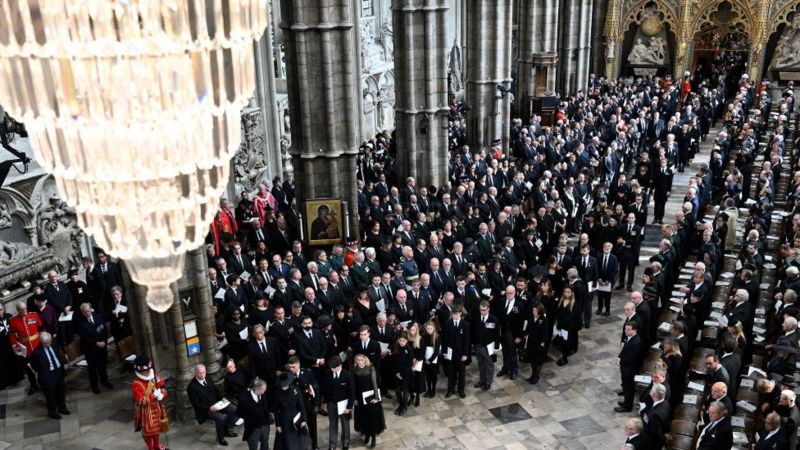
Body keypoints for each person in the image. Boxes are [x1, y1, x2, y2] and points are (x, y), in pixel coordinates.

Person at [187, 364, 239, 446]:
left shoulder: (208, 378)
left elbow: (216, 391)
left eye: (203, 372)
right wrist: (209, 408)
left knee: (233, 408)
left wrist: (222, 398)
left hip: (216, 404)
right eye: (200, 373)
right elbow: (196, 404)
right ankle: (221, 438)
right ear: (195, 373)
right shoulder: (192, 387)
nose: (202, 375)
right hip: (205, 409)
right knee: (220, 418)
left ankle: (228, 430)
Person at [74, 303, 113, 394]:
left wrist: (104, 341)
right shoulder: (80, 323)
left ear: (91, 309)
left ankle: (105, 381)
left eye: (88, 311)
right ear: (82, 313)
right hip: (90, 349)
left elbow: (105, 330)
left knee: (102, 366)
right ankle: (94, 386)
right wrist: (96, 343)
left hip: (102, 347)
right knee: (92, 369)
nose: (87, 313)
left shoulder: (97, 317)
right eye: (85, 312)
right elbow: (84, 337)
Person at [29, 332, 69, 419]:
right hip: (47, 375)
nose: (47, 344)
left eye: (48, 342)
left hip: (58, 371)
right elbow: (34, 365)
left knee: (61, 391)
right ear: (41, 342)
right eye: (45, 343)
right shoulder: (37, 352)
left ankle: (62, 408)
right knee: (50, 395)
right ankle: (52, 412)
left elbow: (58, 356)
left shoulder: (54, 345)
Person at [131, 355, 167, 450]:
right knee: (148, 432)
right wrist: (153, 396)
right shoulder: (136, 384)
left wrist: (162, 394)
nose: (146, 372)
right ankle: (150, 448)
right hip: (146, 412)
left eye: (147, 370)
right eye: (144, 371)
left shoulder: (155, 376)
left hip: (158, 408)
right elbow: (141, 400)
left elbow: (163, 387)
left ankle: (156, 445)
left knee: (157, 429)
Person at [285, 356, 321, 450]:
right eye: (290, 367)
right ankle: (302, 446)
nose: (291, 369)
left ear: (298, 364)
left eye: (293, 367)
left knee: (312, 427)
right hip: (296, 407)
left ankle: (314, 445)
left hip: (309, 405)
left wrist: (317, 404)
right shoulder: (288, 375)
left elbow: (315, 388)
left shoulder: (308, 373)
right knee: (298, 427)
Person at [8, 300, 43, 395]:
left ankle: (43, 383)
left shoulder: (34, 315)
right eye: (21, 309)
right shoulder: (12, 321)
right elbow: (12, 335)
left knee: (41, 367)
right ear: (17, 310)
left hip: (37, 346)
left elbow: (41, 328)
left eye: (25, 308)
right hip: (25, 349)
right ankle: (33, 385)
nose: (24, 311)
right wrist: (15, 346)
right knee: (29, 369)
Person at [321, 355, 354, 450]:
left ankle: (345, 443)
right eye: (330, 368)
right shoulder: (328, 374)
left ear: (340, 365)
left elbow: (351, 392)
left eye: (334, 368)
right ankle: (332, 445)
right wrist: (325, 402)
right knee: (333, 424)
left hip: (344, 405)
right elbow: (325, 389)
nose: (332, 370)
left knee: (345, 424)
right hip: (331, 404)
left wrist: (349, 407)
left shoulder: (347, 375)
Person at [352, 353, 385, 448]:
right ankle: (366, 435)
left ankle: (373, 437)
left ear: (365, 360)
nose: (359, 362)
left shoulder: (371, 368)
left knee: (372, 418)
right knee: (363, 417)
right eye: (357, 360)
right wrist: (354, 398)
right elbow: (354, 385)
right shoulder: (354, 369)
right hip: (359, 396)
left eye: (361, 360)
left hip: (370, 396)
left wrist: (376, 398)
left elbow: (375, 384)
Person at [275, 372, 312, 450]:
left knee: (300, 443)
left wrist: (304, 420)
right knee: (288, 444)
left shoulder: (296, 390)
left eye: (284, 385)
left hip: (297, 419)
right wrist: (278, 425)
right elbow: (276, 410)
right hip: (284, 420)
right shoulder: (277, 393)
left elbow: (302, 406)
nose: (283, 387)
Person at [616, 322, 645, 412]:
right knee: (626, 386)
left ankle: (627, 406)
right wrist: (619, 356)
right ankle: (626, 402)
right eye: (625, 329)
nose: (626, 331)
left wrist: (621, 361)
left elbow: (630, 358)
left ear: (634, 330)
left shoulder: (636, 342)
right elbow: (624, 350)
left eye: (628, 330)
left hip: (630, 369)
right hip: (626, 367)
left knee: (629, 388)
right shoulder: (629, 338)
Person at [442, 305, 470, 398]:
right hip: (450, 353)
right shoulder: (447, 323)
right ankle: (451, 389)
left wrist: (465, 354)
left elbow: (467, 341)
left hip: (461, 353)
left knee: (461, 373)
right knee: (451, 372)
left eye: (456, 314)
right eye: (453, 314)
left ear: (460, 314)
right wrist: (444, 352)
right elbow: (444, 339)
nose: (454, 316)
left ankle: (461, 390)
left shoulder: (465, 324)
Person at [496, 287, 523, 380]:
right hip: (503, 332)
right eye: (507, 293)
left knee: (512, 353)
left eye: (511, 293)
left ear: (515, 293)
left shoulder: (519, 305)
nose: (509, 294)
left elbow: (521, 322)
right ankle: (505, 368)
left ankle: (514, 370)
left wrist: (519, 336)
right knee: (505, 351)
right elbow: (497, 317)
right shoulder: (501, 302)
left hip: (513, 333)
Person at [237, 377, 272, 450]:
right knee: (253, 446)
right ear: (257, 389)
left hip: (265, 425)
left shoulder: (263, 395)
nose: (266, 390)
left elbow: (266, 408)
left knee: (265, 445)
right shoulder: (244, 399)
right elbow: (239, 413)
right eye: (264, 388)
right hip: (253, 429)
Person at [472, 300, 499, 390]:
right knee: (480, 363)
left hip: (488, 346)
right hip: (478, 345)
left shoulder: (493, 319)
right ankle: (482, 380)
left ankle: (488, 381)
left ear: (488, 309)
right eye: (481, 310)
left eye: (484, 310)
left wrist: (496, 347)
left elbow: (496, 334)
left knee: (489, 364)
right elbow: (473, 331)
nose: (482, 312)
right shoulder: (476, 317)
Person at [555, 285, 580, 365]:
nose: (566, 294)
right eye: (565, 292)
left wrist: (561, 323)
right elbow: (558, 312)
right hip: (561, 325)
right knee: (562, 341)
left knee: (566, 343)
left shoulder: (574, 304)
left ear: (572, 293)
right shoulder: (561, 301)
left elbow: (571, 317)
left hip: (568, 327)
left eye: (568, 292)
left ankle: (564, 358)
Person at [0, 302, 23, 390]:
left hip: (12, 343)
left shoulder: (9, 316)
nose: (0, 312)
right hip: (2, 347)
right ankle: (8, 381)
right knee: (5, 363)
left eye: (1, 310)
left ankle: (18, 377)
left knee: (16, 359)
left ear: (4, 309)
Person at [524, 303, 549, 384]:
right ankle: (532, 375)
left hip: (539, 344)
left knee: (537, 361)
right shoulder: (531, 317)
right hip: (531, 342)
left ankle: (536, 376)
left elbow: (545, 334)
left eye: (535, 310)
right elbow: (527, 328)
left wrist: (542, 344)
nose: (533, 312)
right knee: (532, 361)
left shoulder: (544, 320)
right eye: (533, 310)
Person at [640, 383, 670, 449]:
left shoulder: (655, 415)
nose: (650, 391)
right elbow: (666, 421)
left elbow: (655, 434)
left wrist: (663, 437)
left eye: (651, 390)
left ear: (653, 394)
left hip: (651, 443)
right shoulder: (665, 403)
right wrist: (665, 432)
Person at [596, 242, 618, 316]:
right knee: (600, 295)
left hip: (609, 281)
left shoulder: (614, 258)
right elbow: (597, 268)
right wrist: (599, 278)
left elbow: (614, 270)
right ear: (603, 248)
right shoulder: (599, 256)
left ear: (610, 249)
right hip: (600, 280)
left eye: (608, 249)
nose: (606, 250)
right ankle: (599, 308)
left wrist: (608, 280)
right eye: (605, 249)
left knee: (607, 296)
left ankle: (607, 310)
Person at [421, 321, 441, 397]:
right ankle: (428, 389)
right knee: (428, 376)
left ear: (434, 328)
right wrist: (424, 359)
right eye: (428, 328)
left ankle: (433, 390)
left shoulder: (437, 337)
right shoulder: (424, 336)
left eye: (431, 329)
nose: (429, 330)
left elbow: (436, 351)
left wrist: (430, 360)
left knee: (434, 376)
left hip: (433, 360)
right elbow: (422, 349)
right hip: (426, 359)